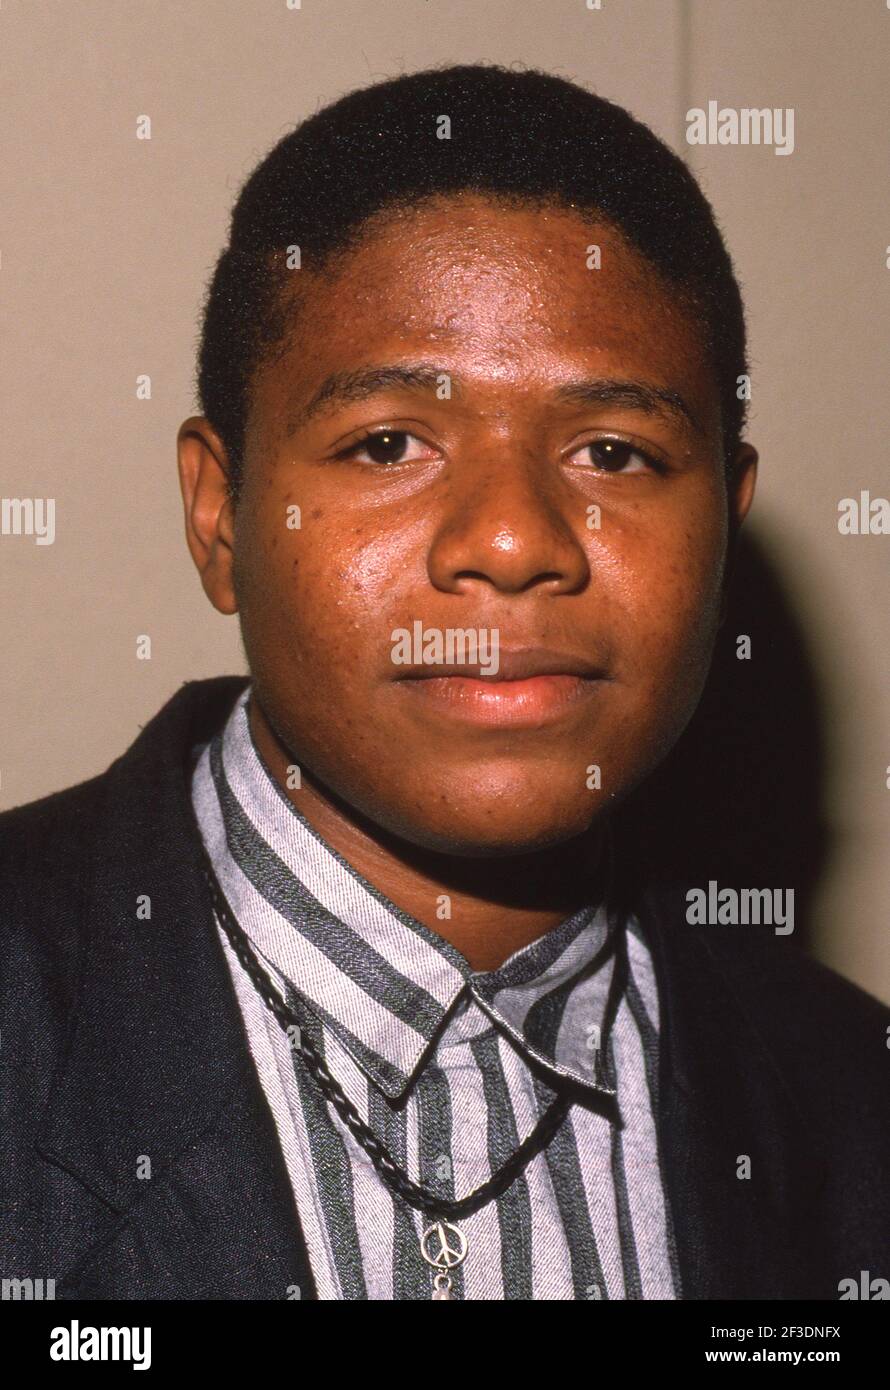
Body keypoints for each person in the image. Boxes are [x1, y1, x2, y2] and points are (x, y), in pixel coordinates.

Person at [1, 64, 887, 1302]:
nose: (515, 538)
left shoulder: (853, 1104)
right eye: (387, 444)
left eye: (613, 452)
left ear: (721, 533)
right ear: (219, 516)